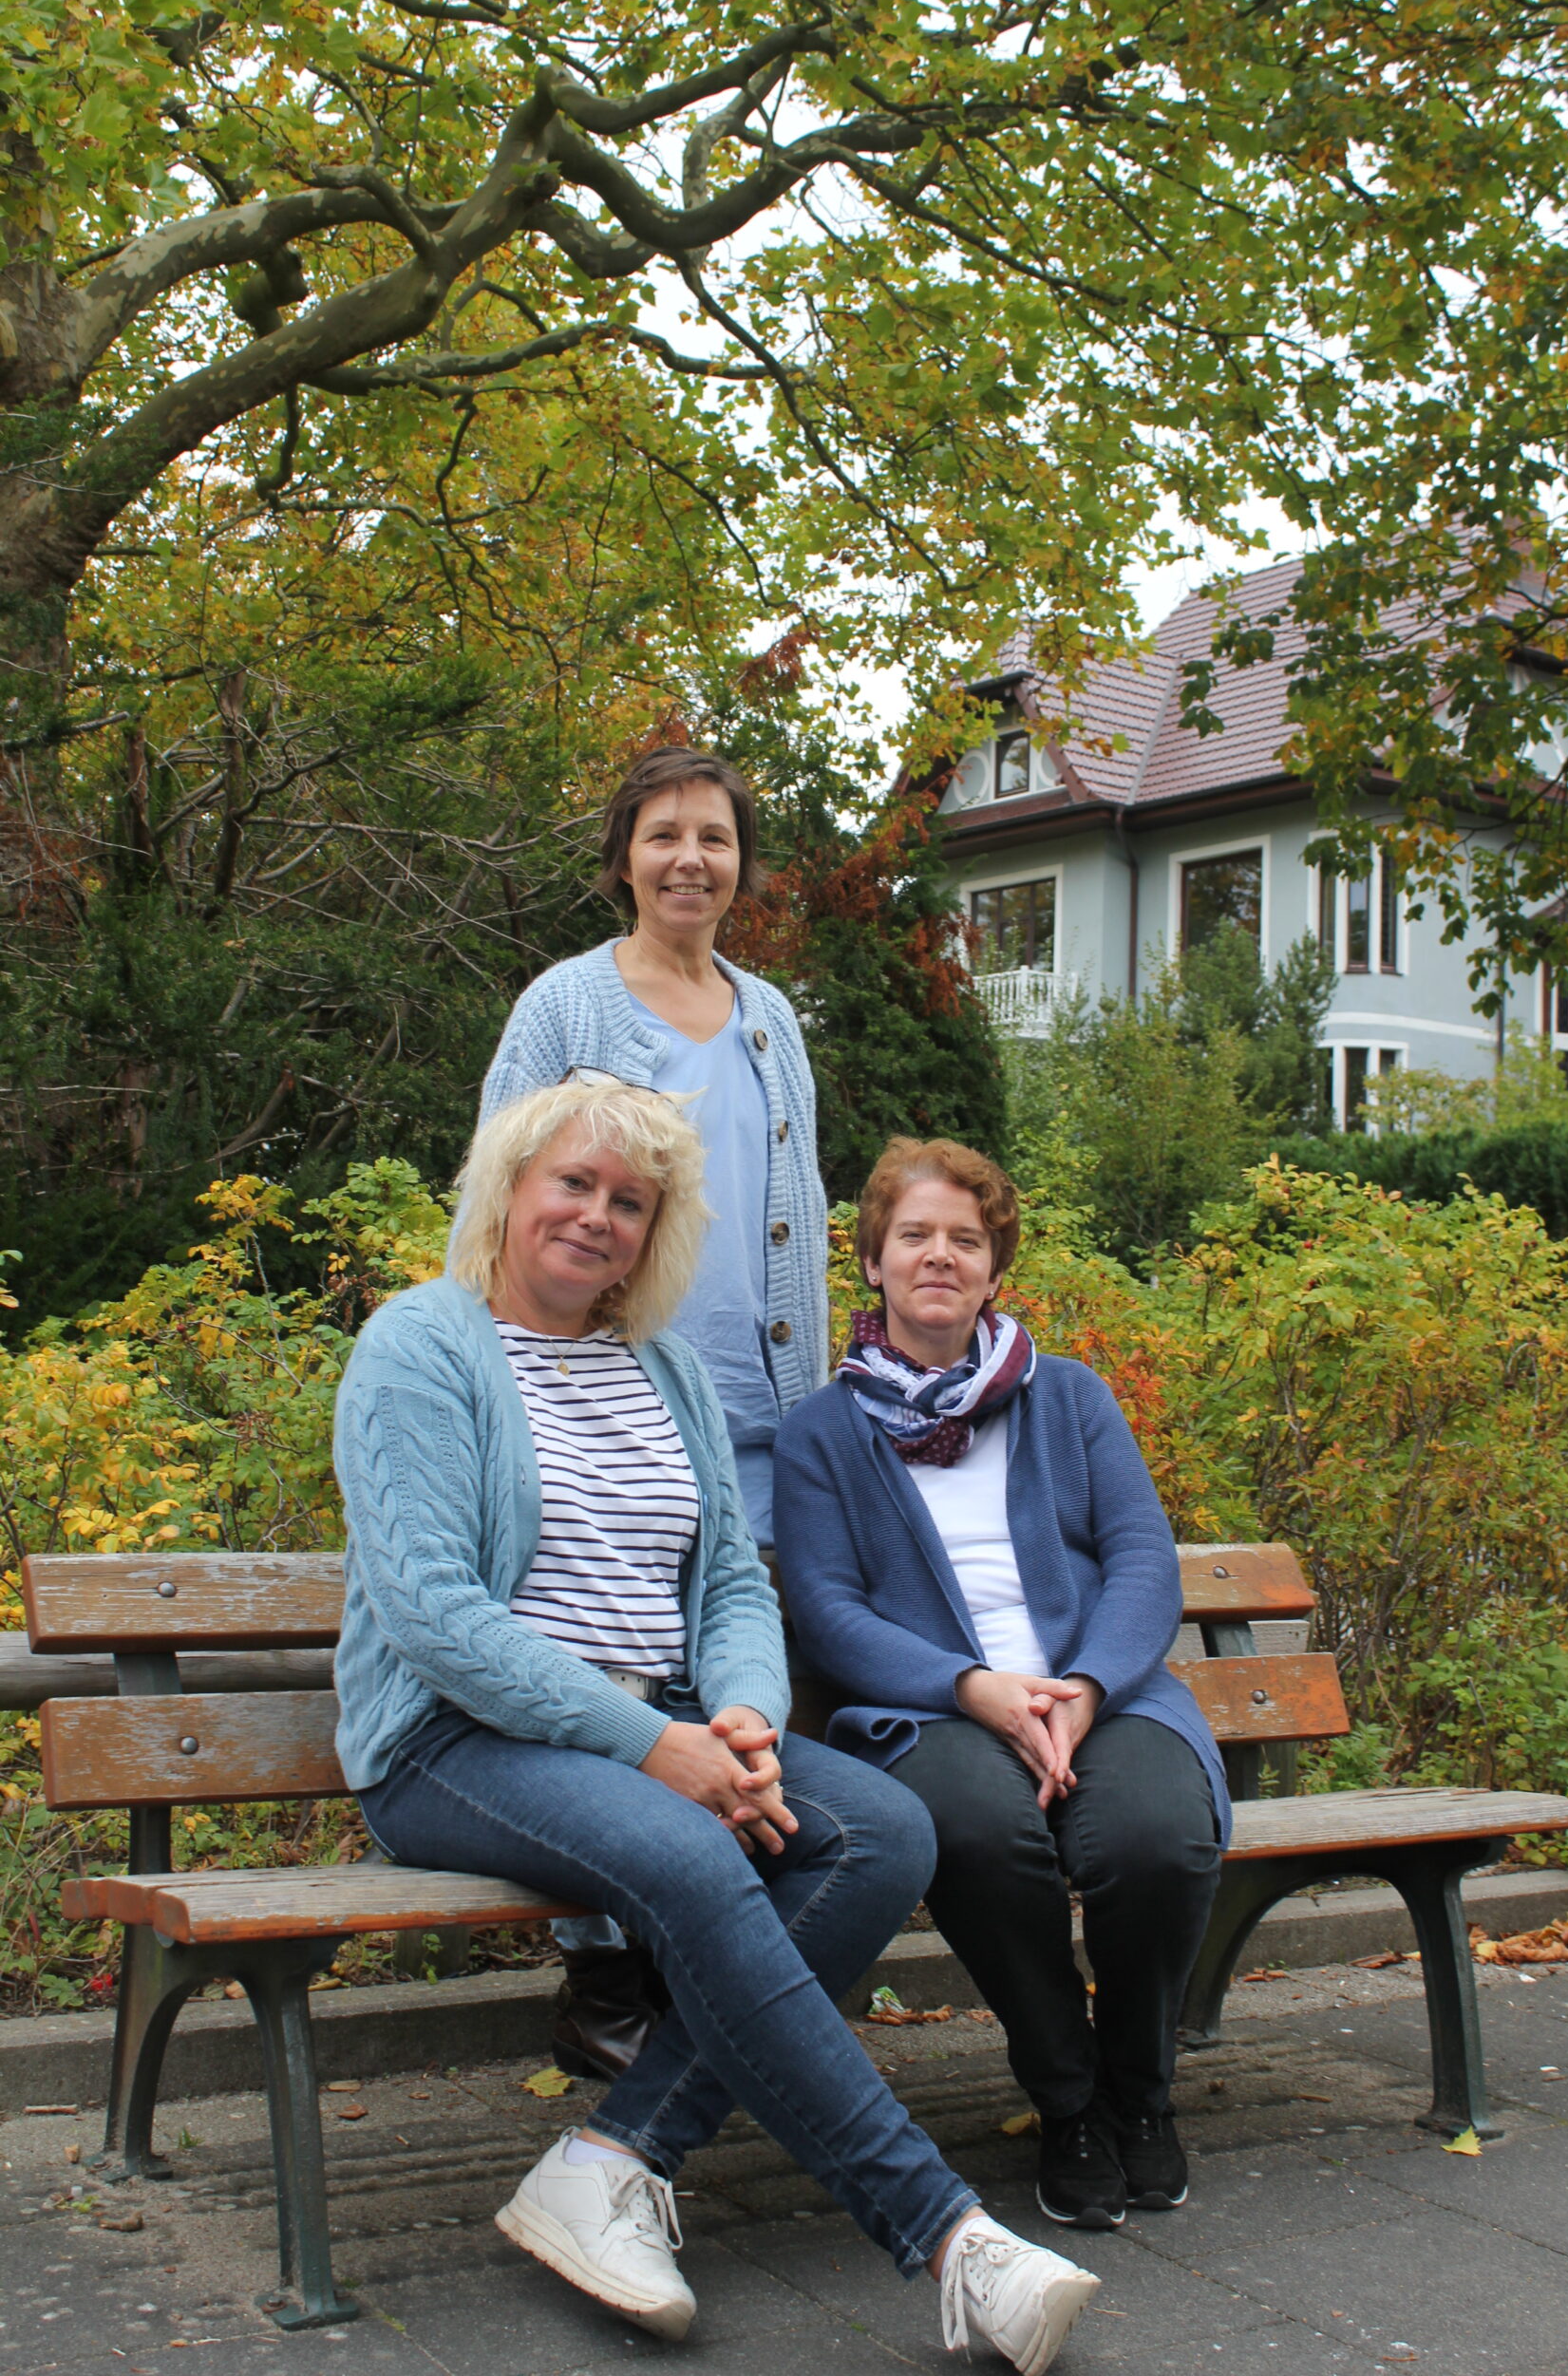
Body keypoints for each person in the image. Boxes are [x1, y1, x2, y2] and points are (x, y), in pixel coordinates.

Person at [333, 1080, 1100, 2374]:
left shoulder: (665, 1367)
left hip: (668, 1725)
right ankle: (948, 2241)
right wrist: (653, 1751)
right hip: (453, 1743)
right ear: (509, 1192)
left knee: (878, 1831)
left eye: (629, 1202)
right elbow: (435, 1617)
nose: (596, 1217)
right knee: (693, 1858)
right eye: (571, 1185)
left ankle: (615, 2155)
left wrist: (737, 1715)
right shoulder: (422, 1344)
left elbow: (732, 1583)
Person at [773, 1137, 1228, 2235]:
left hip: (1099, 1694)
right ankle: (1067, 2101)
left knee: (1154, 1836)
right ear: (872, 1260)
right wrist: (972, 1686)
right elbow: (828, 1609)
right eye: (915, 1235)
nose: (940, 1255)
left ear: (993, 1266)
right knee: (978, 1834)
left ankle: (1140, 2091)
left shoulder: (1068, 1398)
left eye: (965, 1239)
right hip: (933, 1709)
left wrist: (1082, 1685)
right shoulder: (823, 1433)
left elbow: (1140, 1558)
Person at [477, 743, 825, 2073]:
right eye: (665, 835)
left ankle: (713, 1940)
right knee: (603, 1645)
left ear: (740, 865)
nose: (691, 859)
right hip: (602, 1387)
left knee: (723, 1660)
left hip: (762, 1401)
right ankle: (601, 1968)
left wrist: (818, 1399)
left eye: (715, 839)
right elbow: (505, 1185)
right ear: (624, 855)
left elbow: (798, 1214)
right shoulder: (567, 1006)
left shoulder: (769, 1015)